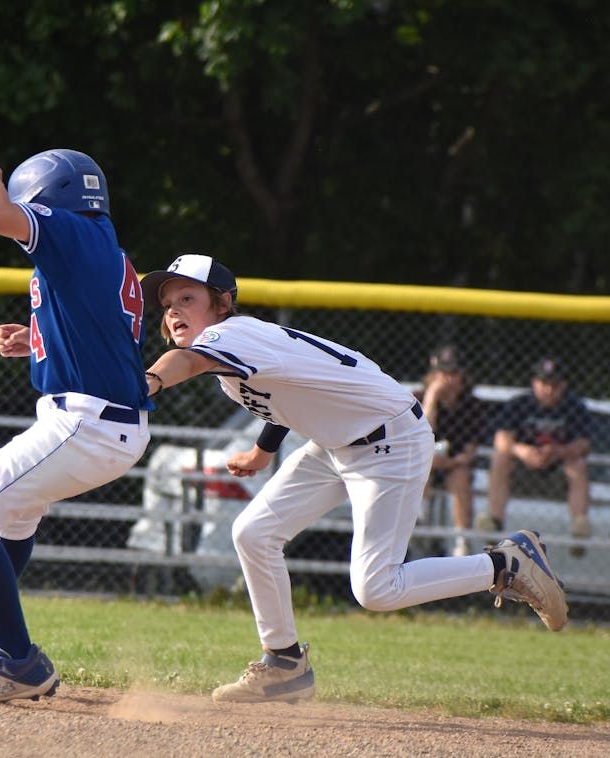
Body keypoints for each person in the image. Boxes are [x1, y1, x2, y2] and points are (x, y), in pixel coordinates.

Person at [139, 253, 567, 704]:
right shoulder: (240, 346)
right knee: (253, 532)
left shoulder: (230, 335)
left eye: (187, 297)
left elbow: (182, 364)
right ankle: (284, 663)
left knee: (377, 588)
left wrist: (146, 381)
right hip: (338, 443)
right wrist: (263, 451)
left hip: (390, 443)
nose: (173, 310)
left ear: (223, 303)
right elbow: (289, 391)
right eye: (167, 303)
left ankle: (505, 565)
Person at [0, 149, 153, 703]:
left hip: (88, 423)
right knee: (12, 517)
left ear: (49, 201)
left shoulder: (73, 229)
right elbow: (95, 336)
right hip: (99, 421)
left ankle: (18, 662)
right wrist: (32, 340)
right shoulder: (100, 245)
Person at [477, 357, 593, 554]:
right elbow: (501, 438)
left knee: (578, 463)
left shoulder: (574, 406)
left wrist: (558, 451)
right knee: (500, 457)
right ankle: (494, 520)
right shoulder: (519, 404)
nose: (548, 390)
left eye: (554, 385)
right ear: (534, 382)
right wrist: (522, 451)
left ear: (563, 384)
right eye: (543, 383)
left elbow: (584, 443)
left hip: (559, 472)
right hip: (521, 470)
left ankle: (579, 528)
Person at [417, 346, 488, 557]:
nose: (447, 379)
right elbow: (418, 437)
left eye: (454, 373)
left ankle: (461, 542)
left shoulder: (472, 405)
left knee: (461, 478)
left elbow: (469, 452)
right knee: (421, 464)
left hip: (455, 465)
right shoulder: (417, 397)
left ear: (463, 376)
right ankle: (416, 520)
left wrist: (448, 463)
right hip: (423, 464)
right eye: (442, 372)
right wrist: (431, 399)